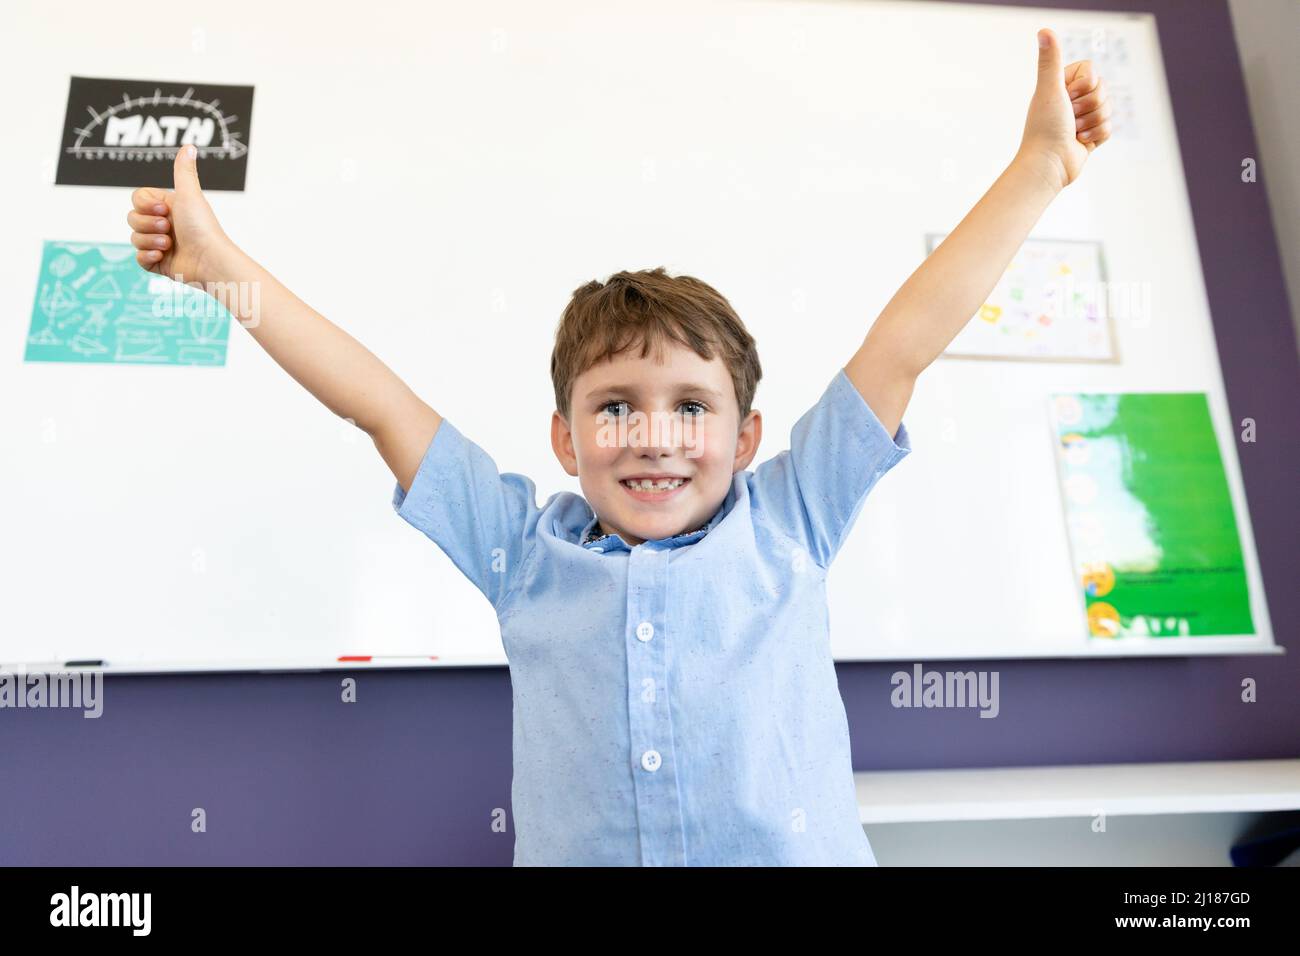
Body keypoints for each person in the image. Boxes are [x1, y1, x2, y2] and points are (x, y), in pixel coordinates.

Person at [122, 27, 1110, 865]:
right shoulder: (519, 551)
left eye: (691, 406)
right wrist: (221, 271)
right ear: (563, 438)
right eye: (614, 406)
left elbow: (902, 342)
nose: (653, 437)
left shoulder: (791, 518)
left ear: (747, 434)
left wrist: (1035, 169)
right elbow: (379, 401)